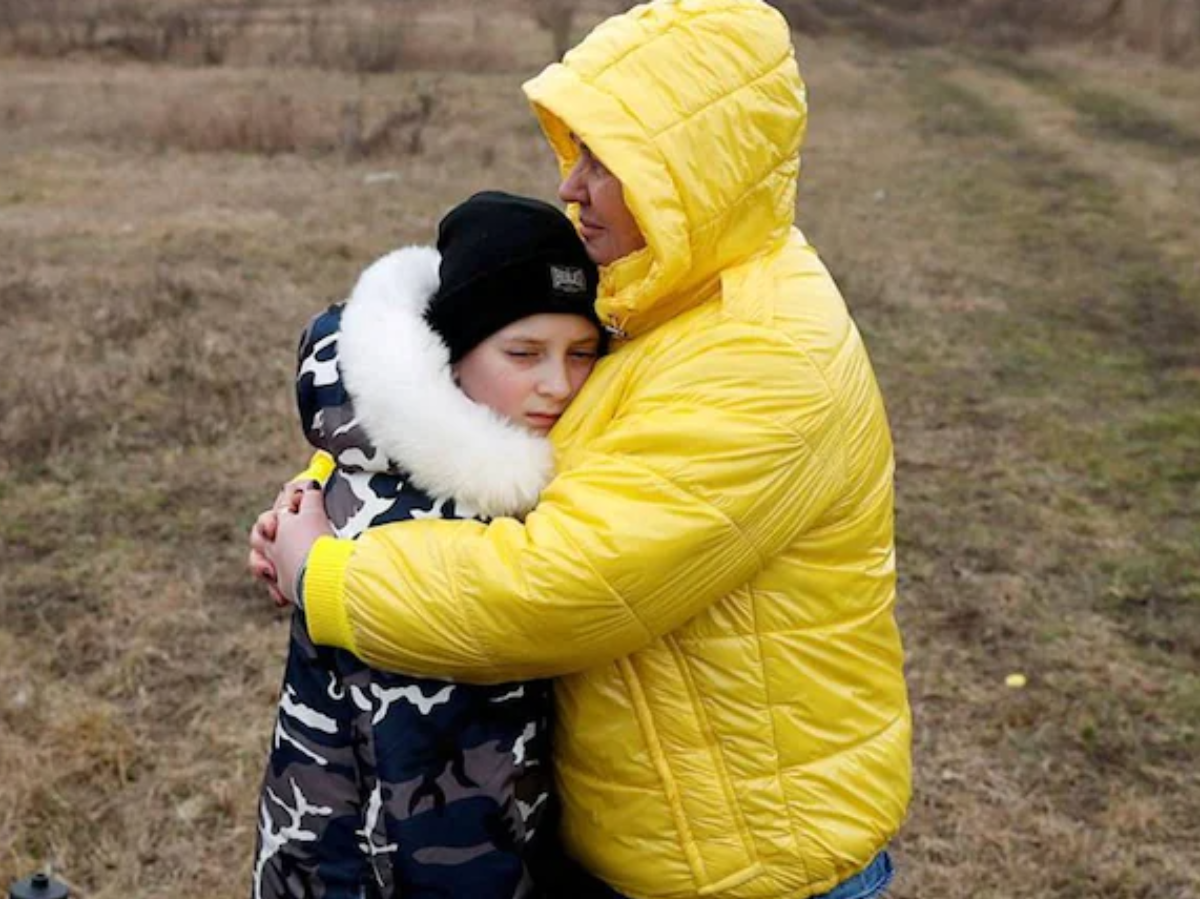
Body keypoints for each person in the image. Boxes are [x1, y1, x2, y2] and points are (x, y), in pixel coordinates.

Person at [252, 1, 912, 897]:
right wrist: (348, 486)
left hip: (746, 865)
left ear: (693, 174)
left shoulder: (762, 360)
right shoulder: (662, 292)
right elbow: (514, 424)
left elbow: (562, 584)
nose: (572, 185)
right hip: (654, 837)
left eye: (609, 160)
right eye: (578, 151)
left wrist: (330, 573)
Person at [251, 191, 604, 899]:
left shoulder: (380, 450)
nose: (559, 384)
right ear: (448, 354)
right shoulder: (432, 533)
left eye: (584, 352)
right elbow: (424, 796)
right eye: (524, 352)